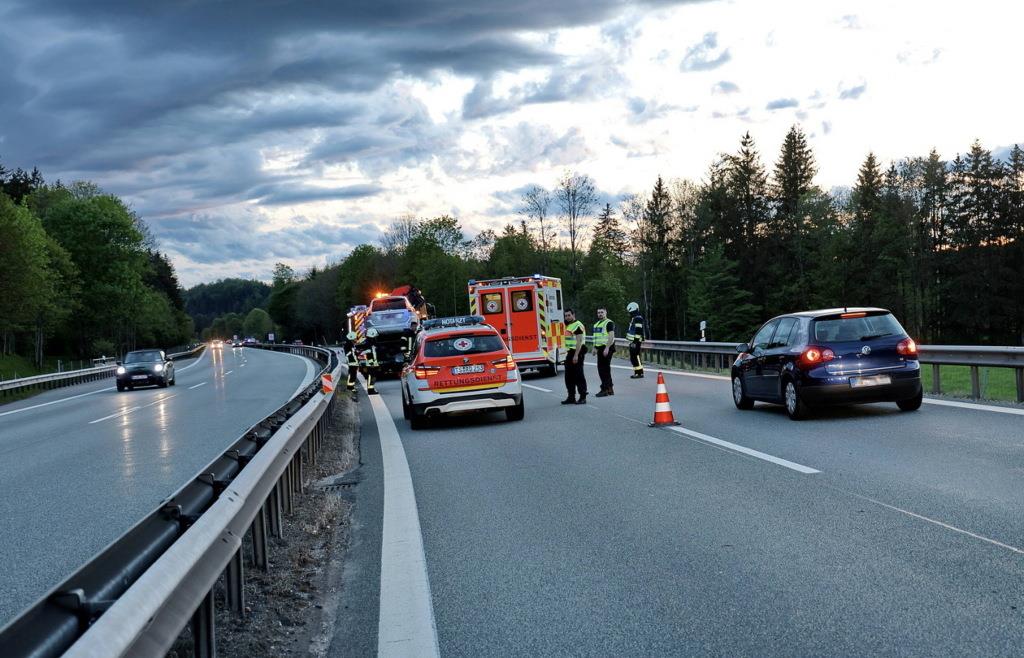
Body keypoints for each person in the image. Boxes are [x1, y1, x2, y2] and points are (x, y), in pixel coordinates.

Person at [561, 309, 588, 404]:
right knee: (569, 376)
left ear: (573, 315)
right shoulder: (569, 325)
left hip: (577, 352)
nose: (567, 317)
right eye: (566, 315)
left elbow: (579, 341)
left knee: (578, 375)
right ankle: (571, 396)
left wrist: (576, 355)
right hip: (570, 352)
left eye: (569, 315)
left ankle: (583, 397)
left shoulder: (577, 325)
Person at [592, 308, 616, 396]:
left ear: (606, 312)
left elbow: (611, 336)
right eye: (598, 312)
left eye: (602, 312)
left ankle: (605, 389)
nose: (600, 314)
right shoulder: (596, 324)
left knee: (603, 369)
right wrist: (595, 347)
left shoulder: (609, 322)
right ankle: (610, 389)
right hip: (600, 348)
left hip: (607, 348)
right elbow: (596, 337)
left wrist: (607, 348)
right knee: (605, 369)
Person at [626, 302, 645, 379]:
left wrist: (635, 342)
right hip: (633, 342)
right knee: (634, 357)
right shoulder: (635, 318)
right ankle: (637, 372)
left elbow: (638, 331)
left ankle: (639, 373)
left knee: (635, 357)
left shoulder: (637, 318)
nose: (629, 313)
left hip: (635, 342)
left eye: (629, 311)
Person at [363, 327, 380, 395]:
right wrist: (371, 363)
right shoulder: (368, 344)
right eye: (375, 336)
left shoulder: (372, 343)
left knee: (373, 377)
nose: (376, 337)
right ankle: (370, 390)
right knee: (371, 377)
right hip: (371, 364)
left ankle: (371, 389)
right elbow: (369, 354)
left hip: (373, 363)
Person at [343, 331, 360, 395]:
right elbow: (348, 354)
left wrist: (356, 352)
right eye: (354, 338)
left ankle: (351, 386)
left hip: (354, 363)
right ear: (351, 338)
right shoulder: (348, 345)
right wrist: (353, 352)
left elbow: (354, 353)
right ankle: (350, 387)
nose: (355, 340)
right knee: (352, 375)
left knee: (353, 375)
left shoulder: (351, 345)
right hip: (352, 363)